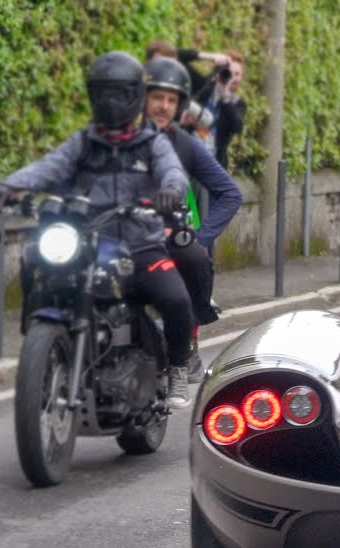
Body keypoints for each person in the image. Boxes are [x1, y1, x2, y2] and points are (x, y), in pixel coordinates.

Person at [0, 52, 193, 409]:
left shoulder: (152, 143)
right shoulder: (83, 142)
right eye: (102, 93)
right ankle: (42, 345)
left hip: (141, 244)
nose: (110, 101)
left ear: (134, 96)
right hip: (89, 241)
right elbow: (48, 167)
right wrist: (9, 185)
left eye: (118, 93)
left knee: (176, 299)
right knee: (35, 259)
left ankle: (177, 368)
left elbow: (172, 170)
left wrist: (170, 191)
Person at [144, 56, 243, 383]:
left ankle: (187, 344)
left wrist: (201, 236)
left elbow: (230, 193)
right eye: (157, 97)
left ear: (180, 106)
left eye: (171, 100)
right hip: (122, 234)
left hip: (169, 234)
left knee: (195, 258)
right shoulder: (116, 139)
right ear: (142, 99)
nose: (163, 106)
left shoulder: (185, 144)